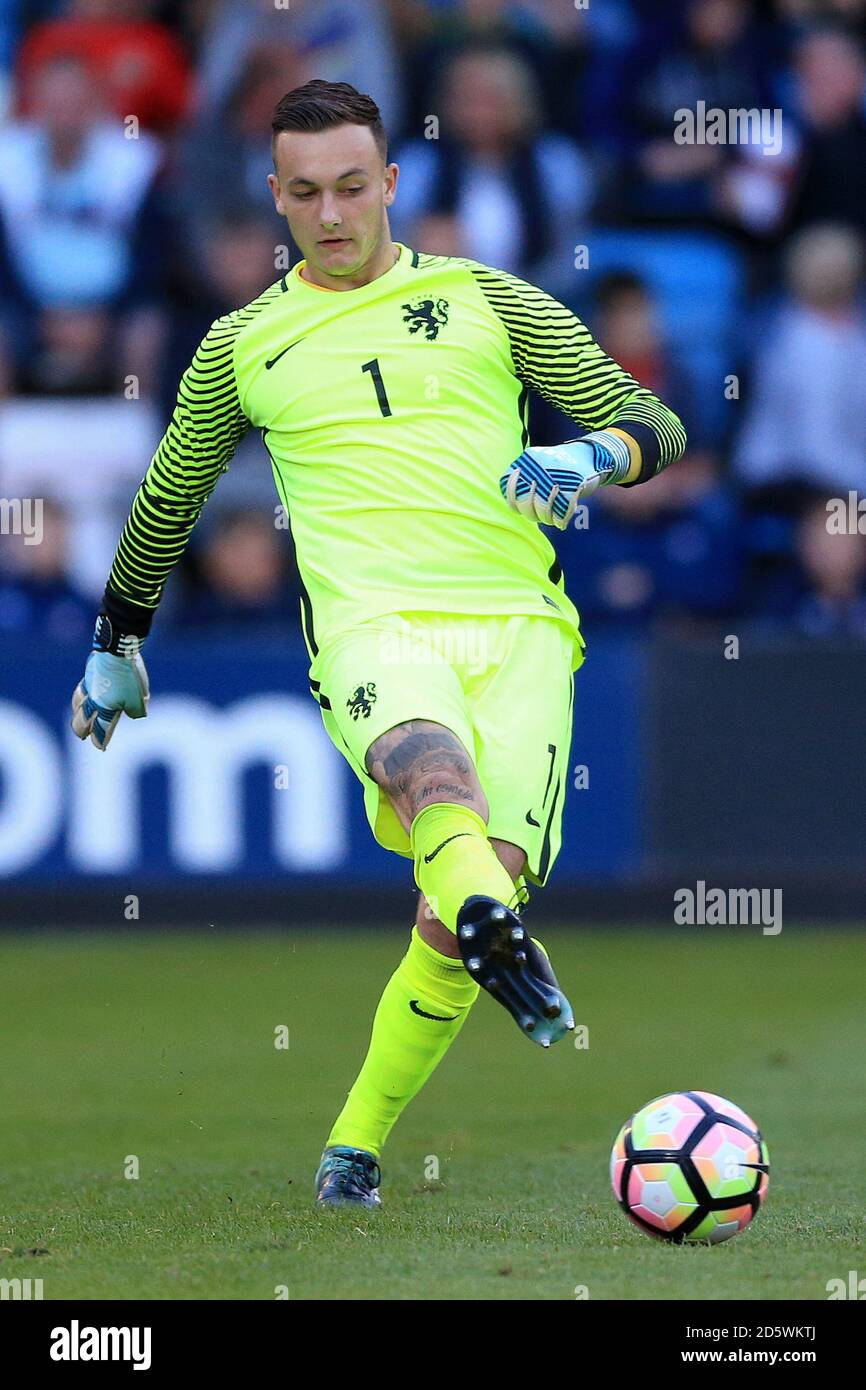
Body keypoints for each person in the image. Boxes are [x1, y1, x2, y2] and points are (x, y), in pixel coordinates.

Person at [69, 80, 686, 1209]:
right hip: (371, 625)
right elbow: (169, 494)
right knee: (426, 771)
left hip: (523, 631)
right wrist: (118, 634)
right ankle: (492, 923)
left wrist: (588, 458)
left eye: (353, 186)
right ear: (275, 197)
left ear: (391, 181)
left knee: (452, 902)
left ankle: (355, 1144)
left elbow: (654, 420)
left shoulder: (488, 298)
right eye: (304, 193)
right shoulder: (242, 343)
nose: (333, 213)